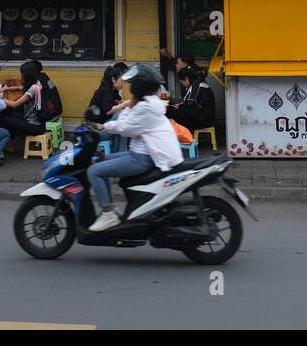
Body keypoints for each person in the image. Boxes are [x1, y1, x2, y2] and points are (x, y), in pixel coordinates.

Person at [85, 63, 182, 232]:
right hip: (141, 154)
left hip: (142, 158)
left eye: (133, 85)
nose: (130, 88)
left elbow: (125, 128)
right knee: (97, 161)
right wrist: (130, 105)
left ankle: (108, 214)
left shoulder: (144, 106)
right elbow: (125, 122)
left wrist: (103, 127)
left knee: (94, 171)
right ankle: (110, 209)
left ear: (139, 88)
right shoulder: (147, 102)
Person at [0, 61, 50, 152]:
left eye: (22, 74)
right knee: (7, 113)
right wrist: (4, 89)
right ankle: (8, 144)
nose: (21, 76)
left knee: (2, 116)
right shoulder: (37, 83)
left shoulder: (33, 88)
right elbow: (20, 88)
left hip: (34, 126)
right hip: (37, 122)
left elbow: (14, 104)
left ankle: (7, 145)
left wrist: (0, 99)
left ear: (26, 75)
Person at [168, 66, 216, 131]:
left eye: (182, 82)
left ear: (186, 78)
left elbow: (190, 110)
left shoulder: (196, 88)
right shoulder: (198, 83)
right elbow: (192, 105)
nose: (182, 85)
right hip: (204, 117)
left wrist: (178, 108)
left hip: (202, 121)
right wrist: (181, 106)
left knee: (170, 113)